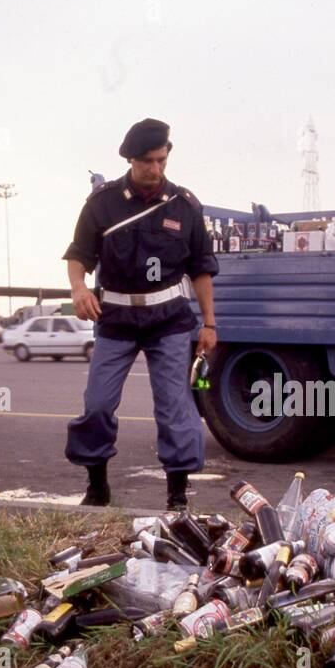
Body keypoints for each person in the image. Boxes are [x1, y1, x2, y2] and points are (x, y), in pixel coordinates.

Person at [63, 118, 218, 510]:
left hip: (168, 320)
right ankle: (97, 486)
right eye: (147, 161)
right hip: (115, 320)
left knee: (175, 408)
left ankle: (177, 496)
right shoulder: (103, 203)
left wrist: (210, 324)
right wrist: (79, 288)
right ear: (130, 160)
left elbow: (201, 268)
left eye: (162, 160)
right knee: (97, 403)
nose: (155, 169)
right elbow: (78, 255)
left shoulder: (183, 206)